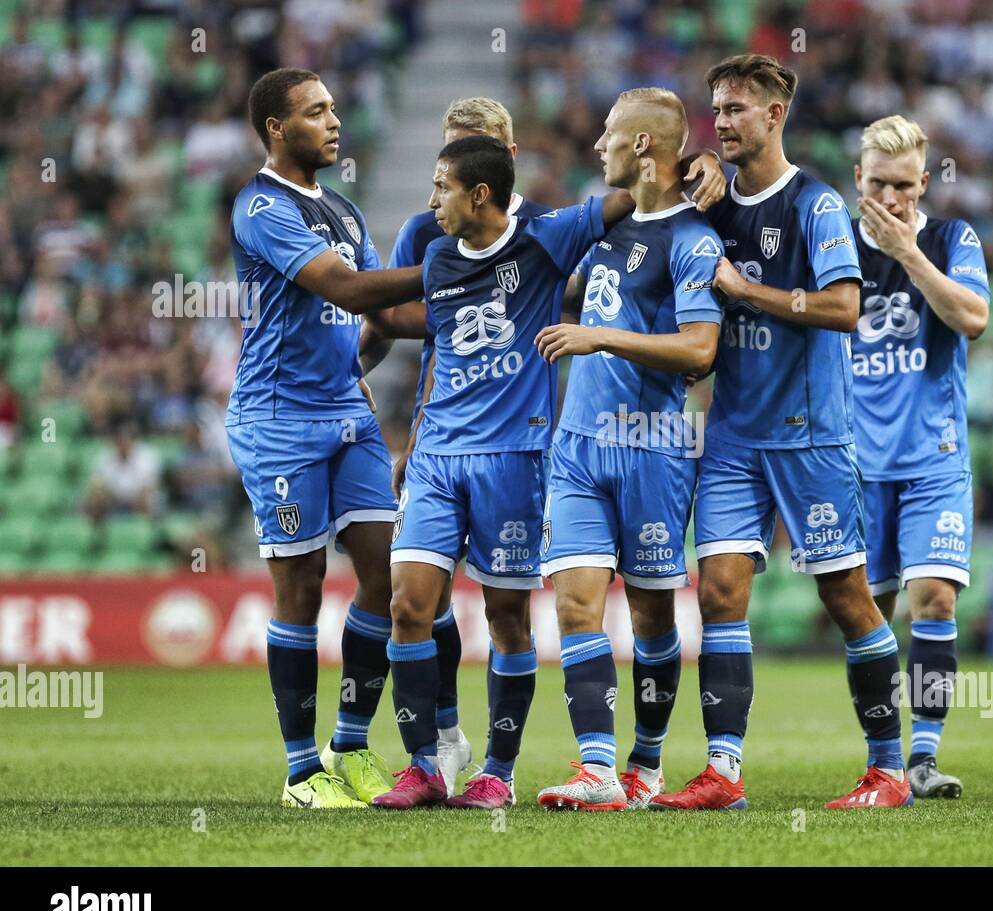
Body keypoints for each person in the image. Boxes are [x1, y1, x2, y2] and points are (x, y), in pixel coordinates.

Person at [654, 55, 912, 811]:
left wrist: (746, 291)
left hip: (811, 437)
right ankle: (723, 772)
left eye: (736, 108)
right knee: (721, 592)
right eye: (717, 109)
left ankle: (888, 768)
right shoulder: (709, 206)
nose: (723, 122)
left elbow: (843, 309)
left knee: (846, 599)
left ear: (775, 115)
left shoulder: (817, 205)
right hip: (733, 437)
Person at [371, 135, 638, 811]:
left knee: (508, 620)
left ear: (479, 194)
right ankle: (425, 765)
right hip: (437, 456)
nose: (433, 202)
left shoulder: (546, 238)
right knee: (407, 604)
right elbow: (417, 332)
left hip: (516, 460)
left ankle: (498, 771)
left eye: (443, 188)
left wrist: (692, 168)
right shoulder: (433, 254)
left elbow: (630, 199)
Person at [226, 68, 426, 809]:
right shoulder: (260, 206)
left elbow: (388, 318)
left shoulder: (341, 209)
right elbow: (346, 290)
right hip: (279, 420)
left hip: (349, 412)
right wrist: (448, 264)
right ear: (278, 128)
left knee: (384, 576)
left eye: (335, 108)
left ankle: (349, 745)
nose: (334, 121)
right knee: (302, 587)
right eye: (316, 112)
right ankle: (301, 771)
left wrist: (495, 302)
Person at [530, 88, 725, 811]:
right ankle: (597, 770)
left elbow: (701, 350)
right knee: (577, 604)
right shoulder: (606, 226)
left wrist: (597, 336)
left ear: (643, 145)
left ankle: (646, 762)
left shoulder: (696, 241)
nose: (596, 144)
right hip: (580, 445)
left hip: (653, 445)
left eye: (609, 132)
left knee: (649, 618)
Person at [850, 115, 991, 798]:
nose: (890, 199)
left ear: (923, 183)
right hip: (853, 466)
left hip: (933, 458)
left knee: (932, 599)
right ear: (858, 179)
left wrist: (908, 253)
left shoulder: (949, 239)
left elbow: (972, 318)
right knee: (866, 618)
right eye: (878, 184)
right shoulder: (829, 249)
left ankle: (924, 757)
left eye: (903, 186)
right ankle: (881, 760)